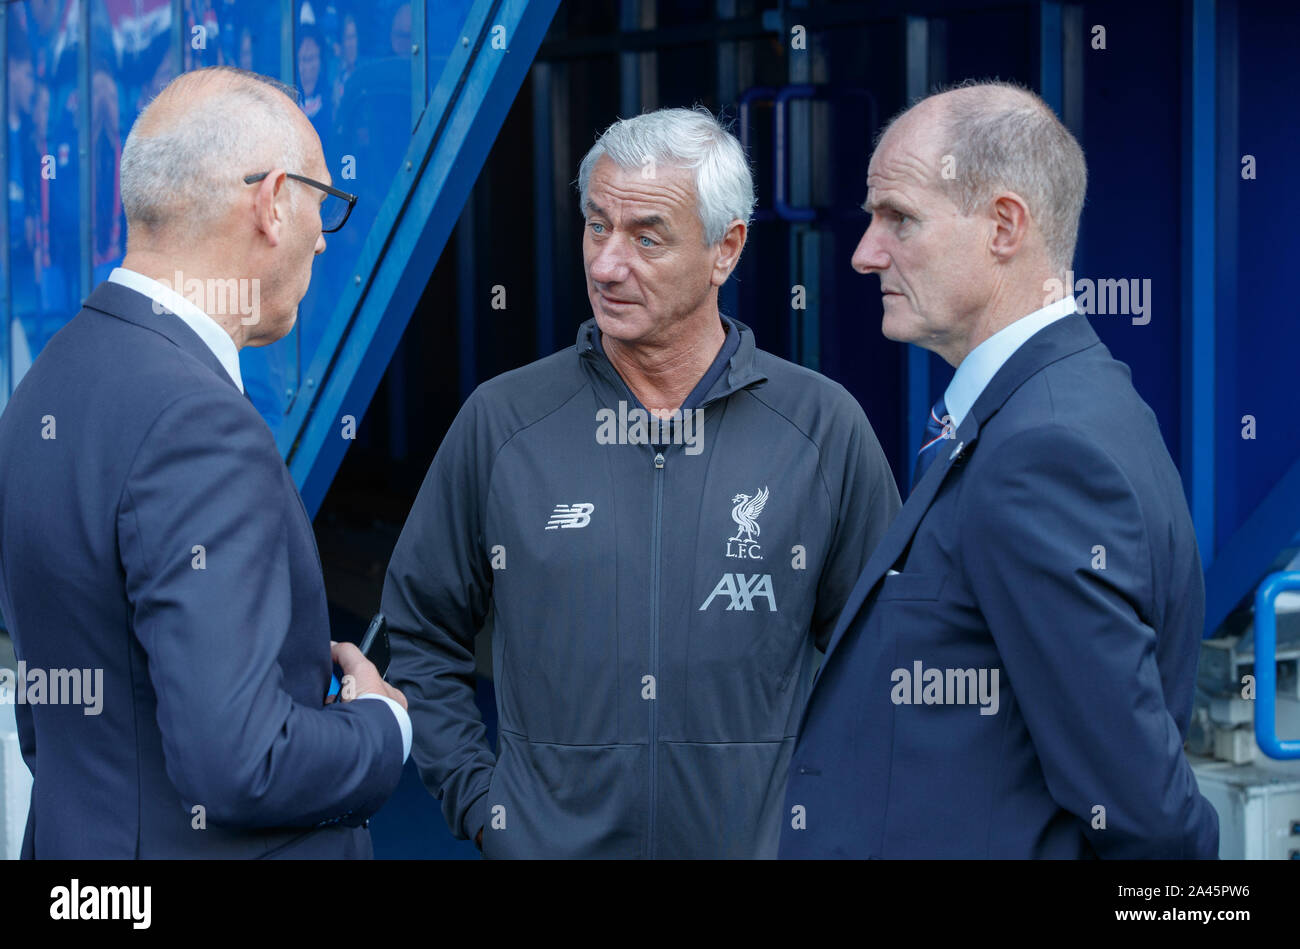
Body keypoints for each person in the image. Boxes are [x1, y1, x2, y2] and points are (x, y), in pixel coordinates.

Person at [381, 106, 900, 859]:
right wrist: (485, 807)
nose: (605, 263)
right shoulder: (503, 421)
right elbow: (420, 631)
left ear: (727, 248)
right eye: (597, 226)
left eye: (646, 236)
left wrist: (816, 824)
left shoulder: (821, 430)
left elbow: (881, 658)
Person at [780, 81, 1219, 859]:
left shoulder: (1042, 453)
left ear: (1005, 226)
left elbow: (1146, 817)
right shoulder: (1049, 408)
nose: (863, 252)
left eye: (899, 218)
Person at [0, 66, 408, 859]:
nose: (325, 237)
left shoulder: (47, 383)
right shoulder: (200, 423)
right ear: (272, 203)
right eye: (323, 205)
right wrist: (380, 724)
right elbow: (241, 761)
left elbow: (46, 720)